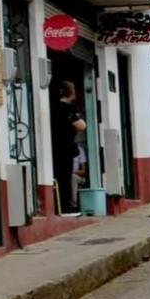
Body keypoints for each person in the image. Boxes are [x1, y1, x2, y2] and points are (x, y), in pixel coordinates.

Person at [52, 80, 86, 215]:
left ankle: (57, 207)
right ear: (71, 92)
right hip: (65, 148)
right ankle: (65, 208)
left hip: (54, 147)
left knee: (57, 177)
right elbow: (81, 126)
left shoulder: (53, 106)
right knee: (65, 178)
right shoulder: (69, 109)